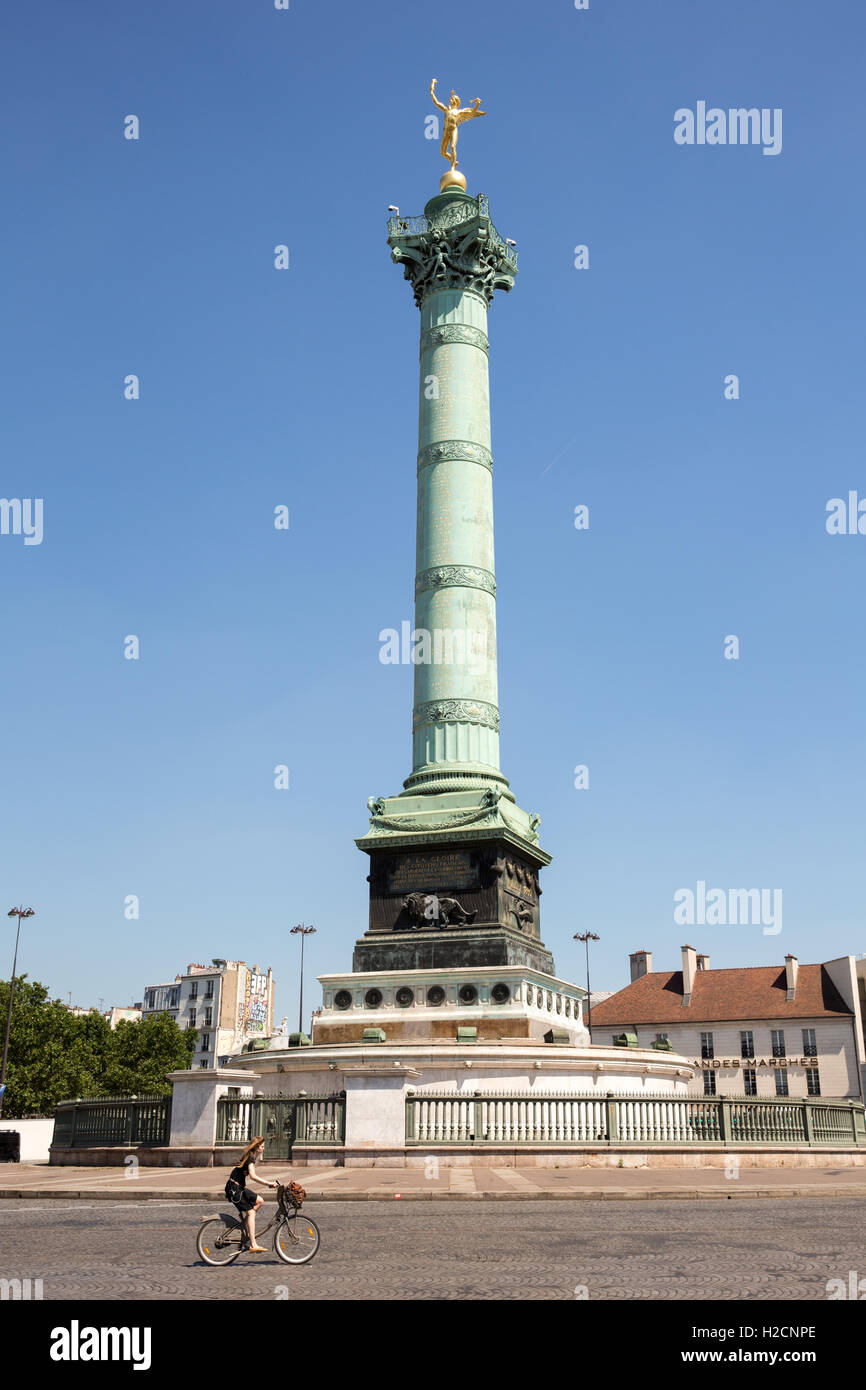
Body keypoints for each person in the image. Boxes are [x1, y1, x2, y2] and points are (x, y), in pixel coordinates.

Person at [227, 1136, 276, 1252]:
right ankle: (253, 1244)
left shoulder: (251, 1156)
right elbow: (253, 1176)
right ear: (257, 1147)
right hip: (234, 1189)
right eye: (262, 1147)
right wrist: (268, 1183)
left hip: (239, 1187)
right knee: (251, 1213)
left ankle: (243, 1227)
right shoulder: (250, 1158)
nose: (263, 1149)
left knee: (260, 1201)